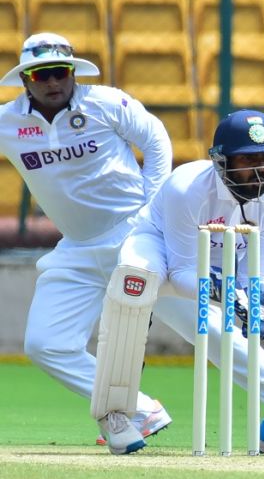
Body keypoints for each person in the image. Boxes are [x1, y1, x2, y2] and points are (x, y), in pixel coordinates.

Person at [90, 109, 264, 455]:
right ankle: (116, 413)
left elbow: (255, 272)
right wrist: (234, 301)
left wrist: (259, 304)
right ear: (221, 161)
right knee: (133, 283)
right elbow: (180, 274)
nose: (261, 171)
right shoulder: (187, 189)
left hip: (225, 260)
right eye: (248, 160)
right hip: (161, 246)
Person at [0, 32, 178, 447]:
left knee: (210, 330)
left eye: (59, 72)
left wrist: (152, 210)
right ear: (26, 80)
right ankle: (135, 408)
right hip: (77, 247)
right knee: (46, 344)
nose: (52, 82)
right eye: (40, 74)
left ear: (72, 72)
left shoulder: (105, 101)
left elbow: (155, 138)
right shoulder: (9, 122)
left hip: (136, 236)